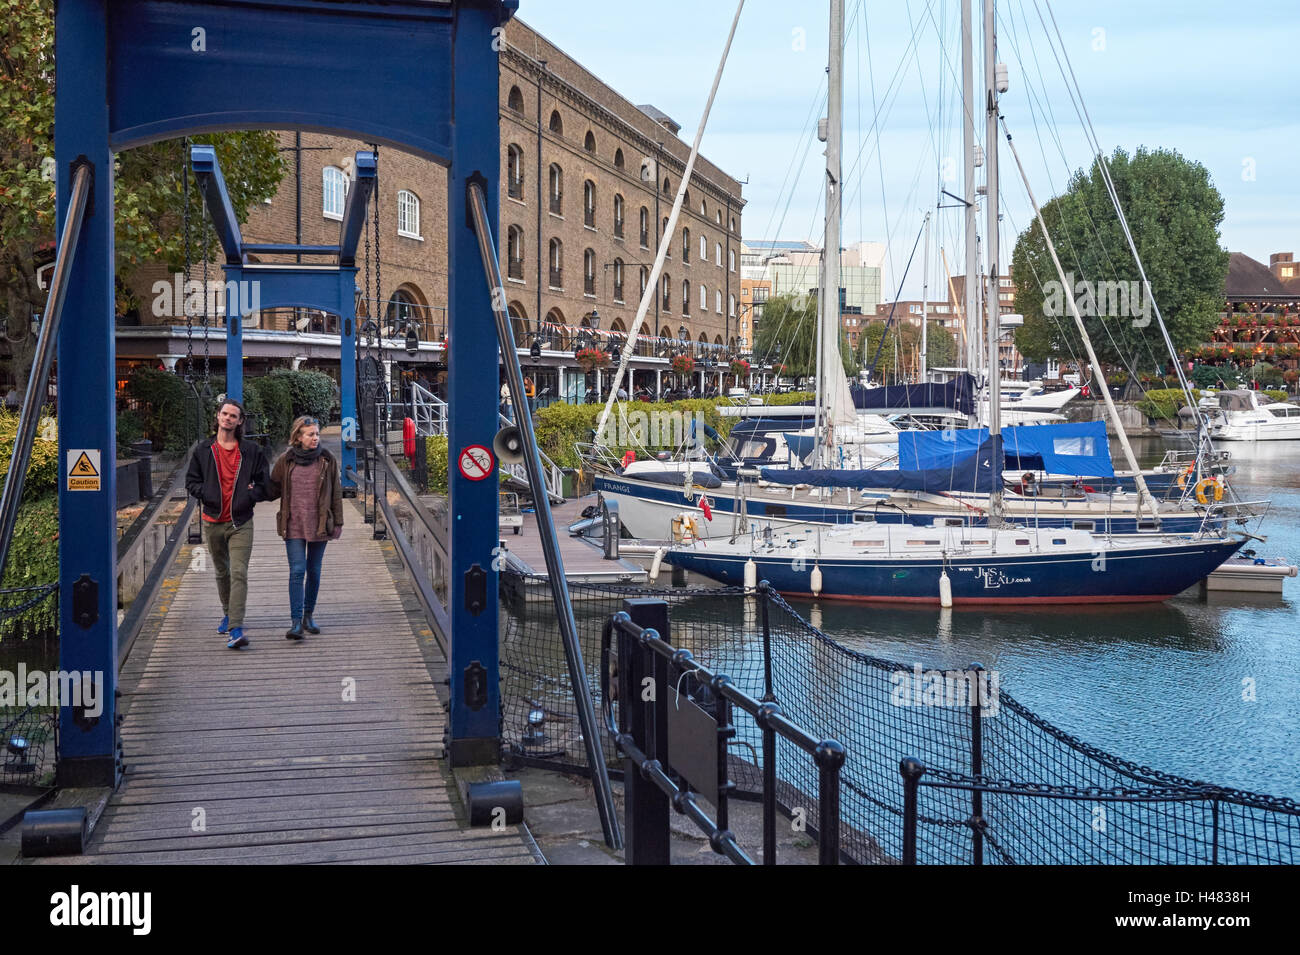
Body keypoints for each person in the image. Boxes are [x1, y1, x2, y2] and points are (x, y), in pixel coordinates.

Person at [185, 399, 273, 650]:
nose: (228, 418)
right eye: (225, 414)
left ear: (240, 421)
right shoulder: (203, 450)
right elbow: (191, 482)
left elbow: (265, 483)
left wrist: (250, 495)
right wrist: (208, 494)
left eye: (233, 416)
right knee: (222, 572)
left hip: (241, 521)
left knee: (238, 572)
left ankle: (235, 627)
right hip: (212, 521)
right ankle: (227, 613)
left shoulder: (251, 451)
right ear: (218, 416)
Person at [269, 416, 344, 640]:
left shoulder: (327, 459)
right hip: (293, 523)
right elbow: (272, 486)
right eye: (310, 434)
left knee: (314, 571)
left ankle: (308, 616)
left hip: (320, 523)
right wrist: (251, 490)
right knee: (297, 570)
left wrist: (338, 522)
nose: (315, 438)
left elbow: (336, 492)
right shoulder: (286, 460)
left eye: (317, 434)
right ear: (298, 437)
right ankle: (295, 622)